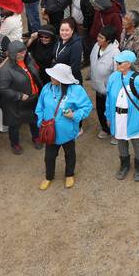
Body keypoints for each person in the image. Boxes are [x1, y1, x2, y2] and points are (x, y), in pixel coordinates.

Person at [35, 62, 93, 190]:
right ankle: (48, 176)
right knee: (49, 157)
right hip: (49, 132)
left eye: (54, 76)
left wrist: (74, 115)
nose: (51, 78)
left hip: (68, 132)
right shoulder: (46, 88)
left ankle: (69, 175)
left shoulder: (76, 90)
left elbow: (87, 106)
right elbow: (40, 107)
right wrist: (41, 122)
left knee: (70, 154)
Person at [107, 49, 139, 181]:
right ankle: (124, 165)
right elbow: (108, 99)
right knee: (121, 140)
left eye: (120, 62)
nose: (117, 64)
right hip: (117, 117)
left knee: (137, 141)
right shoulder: (113, 77)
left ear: (128, 64)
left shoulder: (138, 80)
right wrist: (108, 116)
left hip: (133, 117)